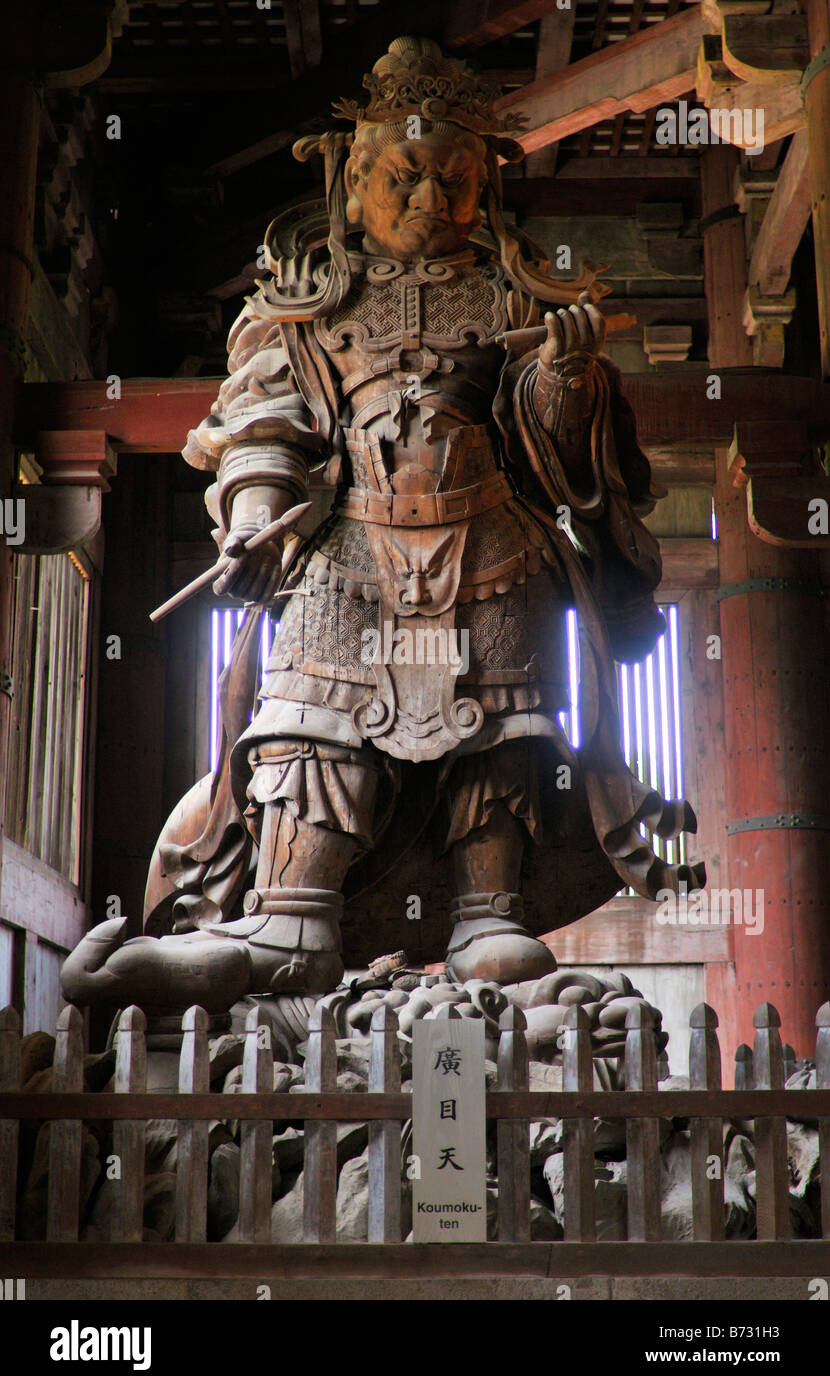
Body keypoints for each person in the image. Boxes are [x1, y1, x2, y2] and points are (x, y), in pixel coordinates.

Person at [62, 37, 703, 1014]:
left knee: (496, 741)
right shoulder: (303, 308)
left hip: (491, 560)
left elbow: (565, 454)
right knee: (309, 735)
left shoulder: (513, 291)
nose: (429, 200)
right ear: (350, 179)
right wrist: (255, 514)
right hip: (344, 570)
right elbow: (260, 425)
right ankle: (282, 921)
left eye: (454, 181)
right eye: (403, 176)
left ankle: (489, 913)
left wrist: (565, 377)